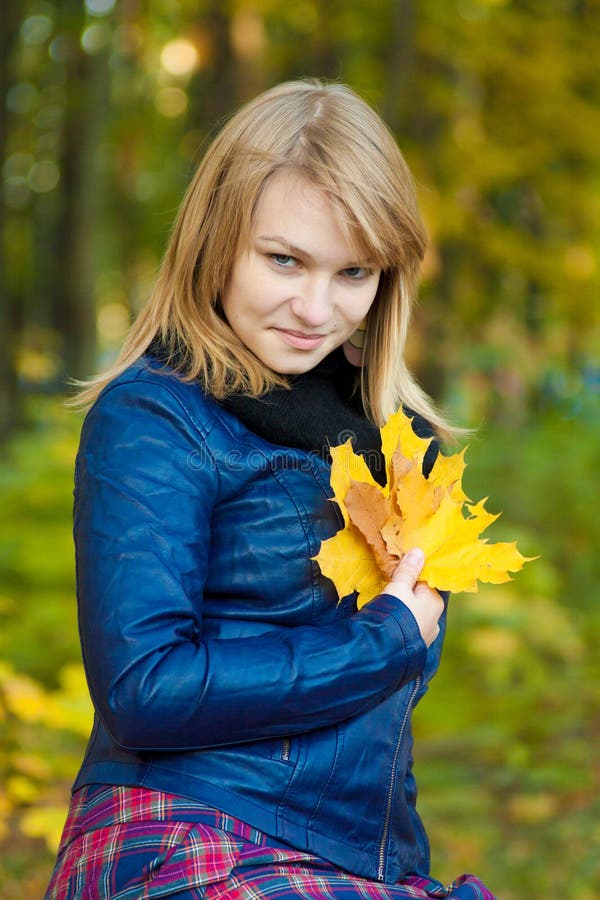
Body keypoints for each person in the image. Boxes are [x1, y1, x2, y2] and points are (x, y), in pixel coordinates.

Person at [45, 79, 495, 899]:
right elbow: (143, 690)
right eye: (284, 259)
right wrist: (386, 637)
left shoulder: (401, 452)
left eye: (353, 271)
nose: (315, 307)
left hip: (365, 857)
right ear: (216, 240)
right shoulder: (157, 416)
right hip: (184, 839)